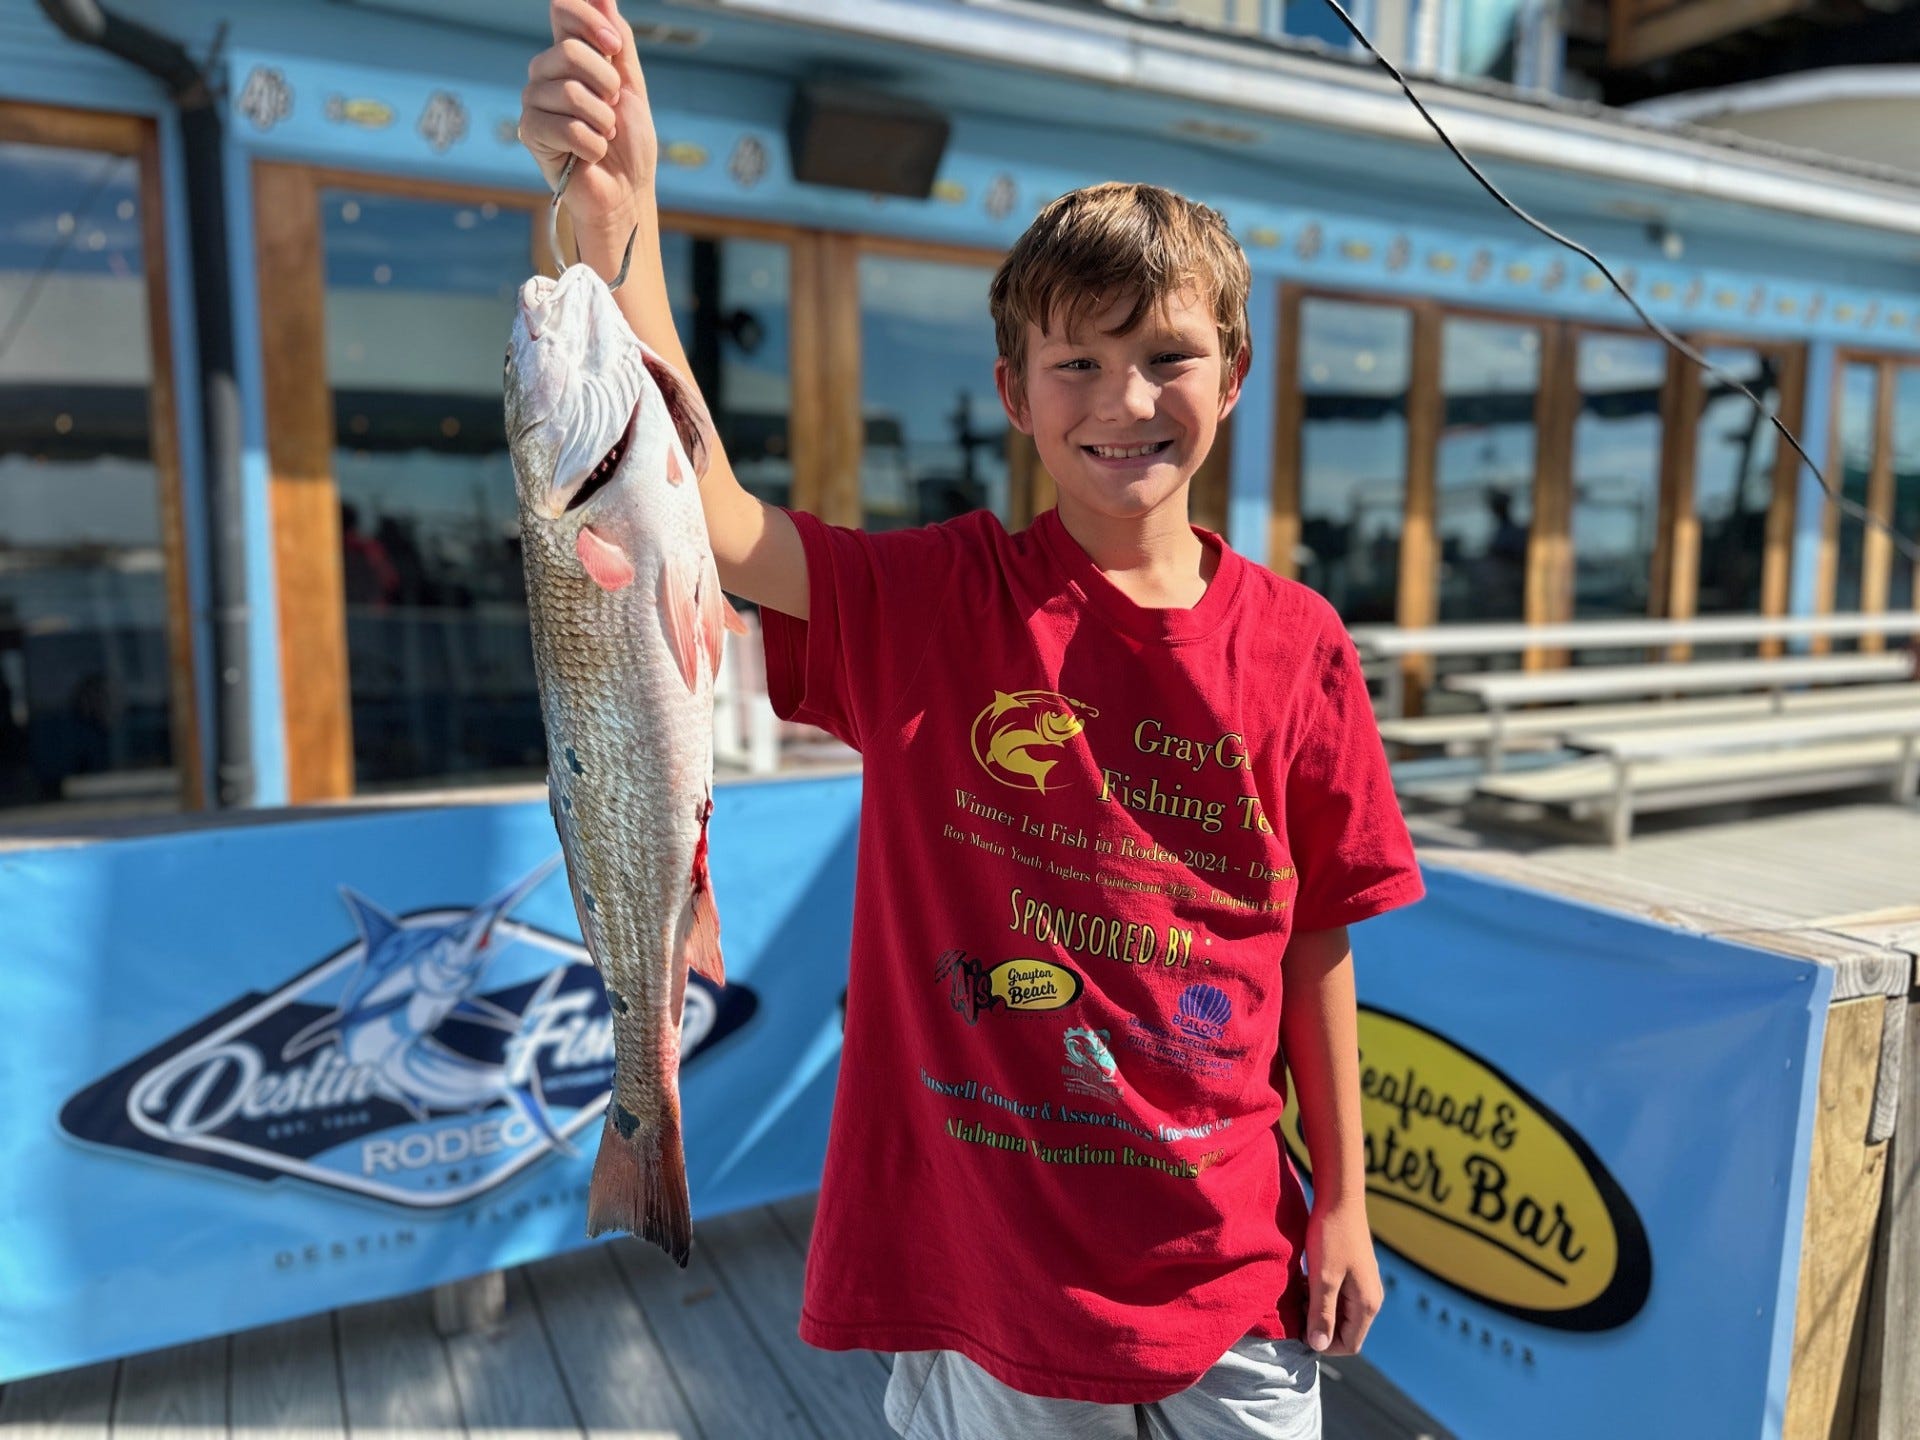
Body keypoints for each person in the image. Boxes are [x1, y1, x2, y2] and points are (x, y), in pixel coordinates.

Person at [518, 4, 1426, 1436]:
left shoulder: (1301, 646)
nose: (1125, 400)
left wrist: (1351, 1204)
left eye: (1169, 358)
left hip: (1229, 1272)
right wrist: (624, 222)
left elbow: (1318, 935)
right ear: (1012, 392)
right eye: (1077, 363)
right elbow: (703, 507)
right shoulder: (942, 600)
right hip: (982, 1282)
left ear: (1235, 378)